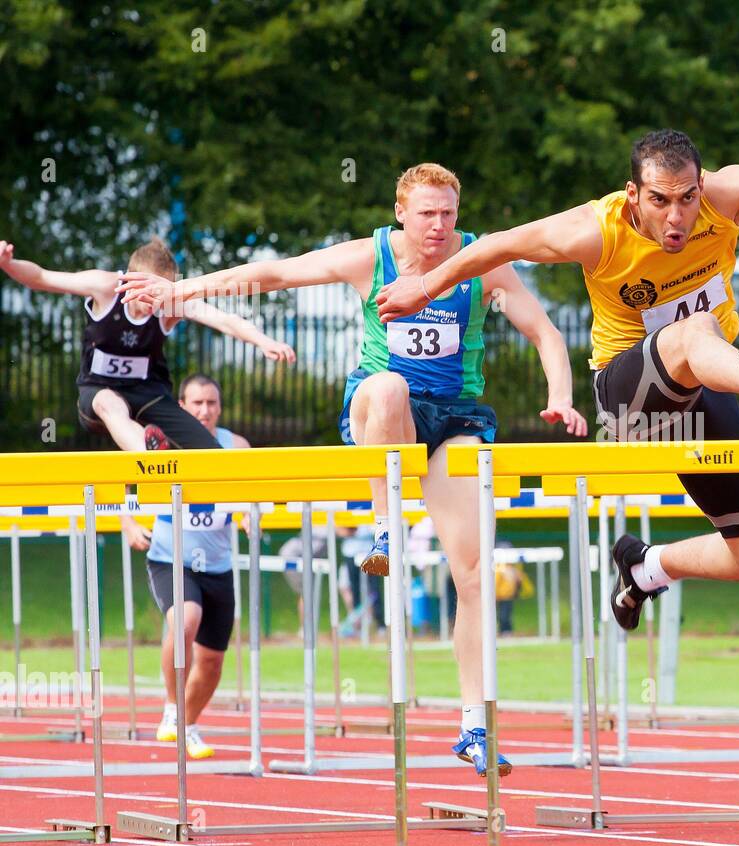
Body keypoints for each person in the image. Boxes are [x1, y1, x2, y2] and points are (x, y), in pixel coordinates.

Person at [119, 163, 589, 776]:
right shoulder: (371, 258)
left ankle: (475, 725)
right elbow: (276, 274)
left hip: (455, 420)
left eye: (448, 213)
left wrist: (561, 394)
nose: (438, 226)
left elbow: (548, 334)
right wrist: (184, 292)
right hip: (379, 412)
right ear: (401, 213)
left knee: (472, 575)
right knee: (390, 385)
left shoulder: (480, 263)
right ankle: (385, 531)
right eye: (426, 213)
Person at [376, 130, 739, 632]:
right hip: (629, 401)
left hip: (706, 395)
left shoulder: (725, 196)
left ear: (701, 185)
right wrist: (424, 286)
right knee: (694, 330)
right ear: (634, 194)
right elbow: (500, 245)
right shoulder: (595, 230)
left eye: (686, 199)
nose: (675, 218)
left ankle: (647, 567)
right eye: (659, 201)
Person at [0, 237, 294, 451]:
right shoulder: (105, 287)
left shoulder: (170, 304)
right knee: (110, 404)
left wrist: (262, 341)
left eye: (161, 291)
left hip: (150, 397)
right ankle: (149, 455)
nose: (155, 300)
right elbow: (41, 277)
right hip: (98, 392)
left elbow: (225, 320)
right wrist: (8, 263)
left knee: (211, 453)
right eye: (148, 291)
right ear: (128, 281)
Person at [119, 374, 249, 758]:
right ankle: (171, 707)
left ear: (219, 409)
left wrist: (247, 512)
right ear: (182, 406)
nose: (204, 411)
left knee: (211, 664)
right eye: (196, 404)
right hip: (170, 557)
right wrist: (128, 522)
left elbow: (252, 491)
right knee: (185, 621)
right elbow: (124, 480)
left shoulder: (234, 446)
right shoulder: (162, 441)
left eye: (211, 404)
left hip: (218, 565)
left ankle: (187, 724)